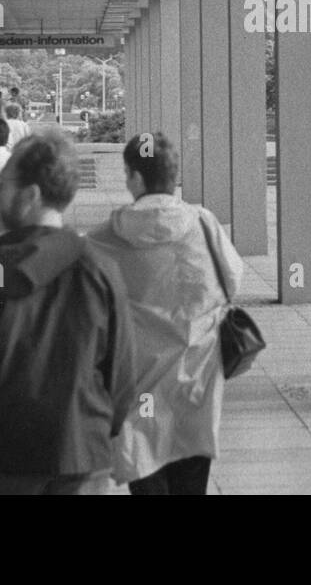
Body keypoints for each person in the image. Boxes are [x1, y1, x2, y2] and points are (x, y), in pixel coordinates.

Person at [0, 130, 136, 496]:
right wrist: (99, 429)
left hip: (3, 458)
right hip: (83, 457)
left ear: (31, 195)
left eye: (4, 184)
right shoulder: (101, 270)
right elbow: (123, 371)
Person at [86, 132, 243, 496]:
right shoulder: (202, 223)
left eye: (128, 173)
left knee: (144, 464)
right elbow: (232, 281)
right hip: (197, 376)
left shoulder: (106, 236)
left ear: (137, 178)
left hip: (138, 381)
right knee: (191, 476)